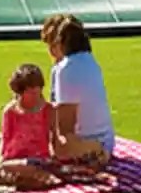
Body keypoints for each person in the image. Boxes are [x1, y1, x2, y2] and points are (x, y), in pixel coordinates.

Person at [41, 14, 116, 172]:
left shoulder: (66, 69)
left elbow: (65, 126)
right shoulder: (90, 61)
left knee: (54, 149)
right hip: (107, 140)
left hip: (86, 144)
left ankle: (93, 152)